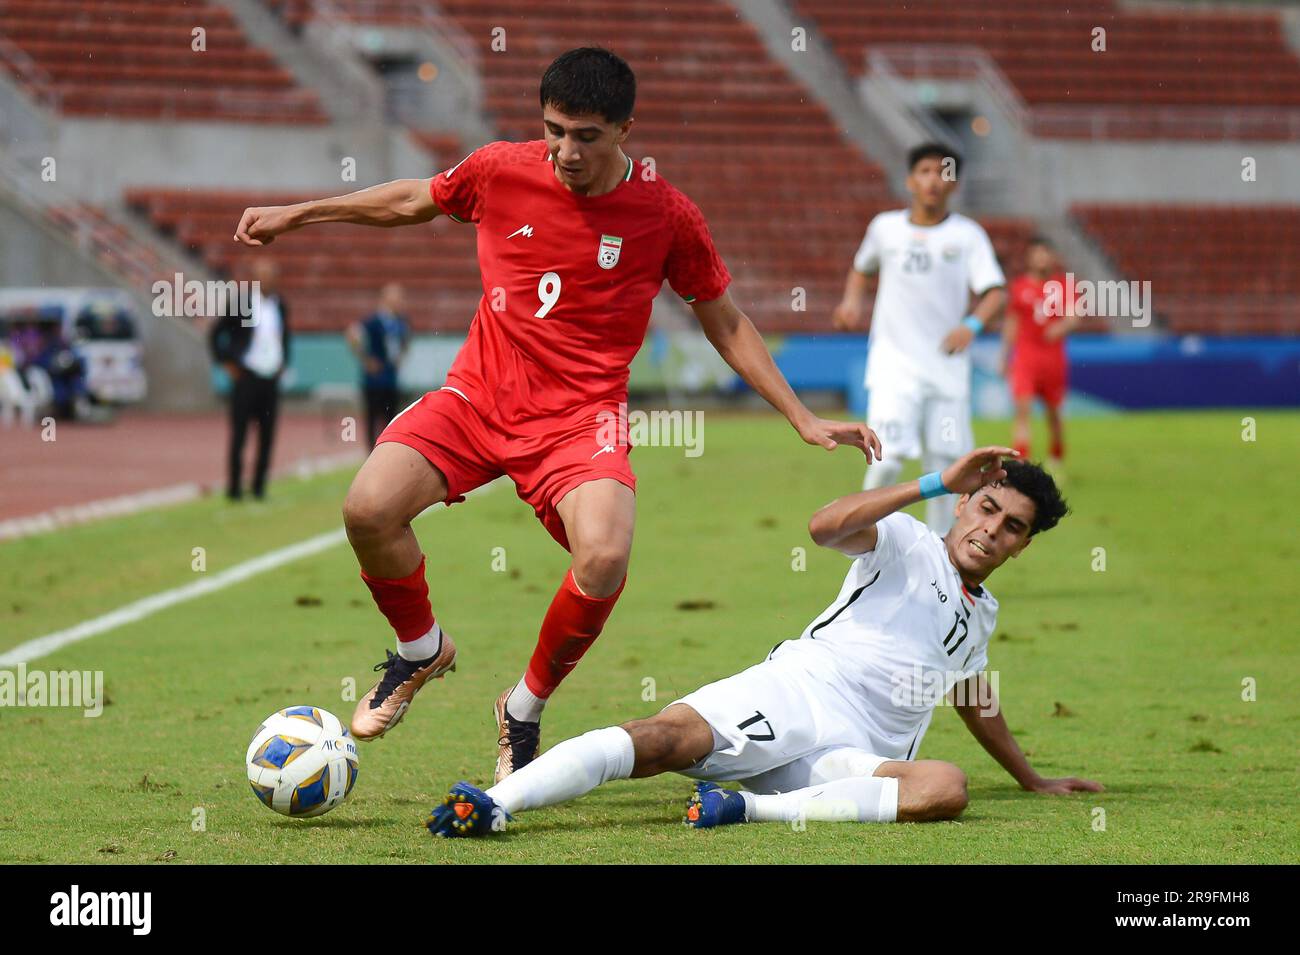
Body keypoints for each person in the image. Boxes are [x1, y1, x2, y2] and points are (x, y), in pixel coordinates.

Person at [231, 47, 880, 781]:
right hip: (478, 396)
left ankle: (523, 709)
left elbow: (723, 318)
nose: (567, 152)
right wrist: (300, 213)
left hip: (581, 420)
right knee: (367, 508)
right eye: (555, 130)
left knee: (603, 556)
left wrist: (799, 415)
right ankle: (421, 650)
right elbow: (414, 199)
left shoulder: (665, 214)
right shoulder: (500, 169)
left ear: (626, 130)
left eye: (587, 136)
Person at [427, 448, 1102, 836]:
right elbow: (825, 526)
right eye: (987, 507)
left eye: (1013, 526)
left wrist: (1031, 778)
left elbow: (973, 693)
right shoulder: (906, 540)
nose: (992, 529)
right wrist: (931, 482)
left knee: (947, 787)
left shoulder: (983, 614)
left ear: (1022, 545)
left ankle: (745, 807)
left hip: (854, 760)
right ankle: (495, 804)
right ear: (963, 503)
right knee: (666, 741)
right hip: (799, 692)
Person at [832, 143, 1007, 535]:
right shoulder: (885, 228)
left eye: (943, 172)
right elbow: (862, 268)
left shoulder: (967, 236)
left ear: (954, 184)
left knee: (947, 467)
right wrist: (851, 303)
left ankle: (942, 560)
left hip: (945, 370)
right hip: (895, 366)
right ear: (911, 180)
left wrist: (972, 326)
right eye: (925, 171)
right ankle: (860, 543)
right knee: (886, 459)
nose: (933, 180)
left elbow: (995, 292)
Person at [209, 258, 291, 500]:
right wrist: (227, 363)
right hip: (246, 378)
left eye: (271, 275)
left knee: (267, 435)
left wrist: (283, 361)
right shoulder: (242, 302)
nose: (267, 280)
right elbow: (216, 333)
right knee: (240, 434)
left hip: (270, 380)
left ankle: (259, 488)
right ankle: (234, 488)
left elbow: (284, 337)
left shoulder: (280, 305)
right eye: (262, 275)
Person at [1003, 237, 1079, 472]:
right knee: (1023, 410)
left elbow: (1074, 316)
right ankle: (1021, 463)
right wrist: (1004, 356)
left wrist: (1062, 327)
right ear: (1030, 258)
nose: (1041, 258)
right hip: (1026, 358)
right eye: (1037, 254)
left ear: (1052, 257)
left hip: (1053, 360)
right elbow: (1012, 323)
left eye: (1045, 253)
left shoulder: (1064, 286)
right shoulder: (1019, 287)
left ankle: (1056, 455)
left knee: (1054, 413)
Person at [347, 283, 410, 447]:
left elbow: (404, 343)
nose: (400, 302)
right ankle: (371, 455)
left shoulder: (401, 321)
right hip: (374, 381)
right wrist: (365, 359)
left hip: (391, 380)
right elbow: (352, 334)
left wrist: (401, 356)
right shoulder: (373, 321)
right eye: (396, 298)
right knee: (372, 420)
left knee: (392, 421)